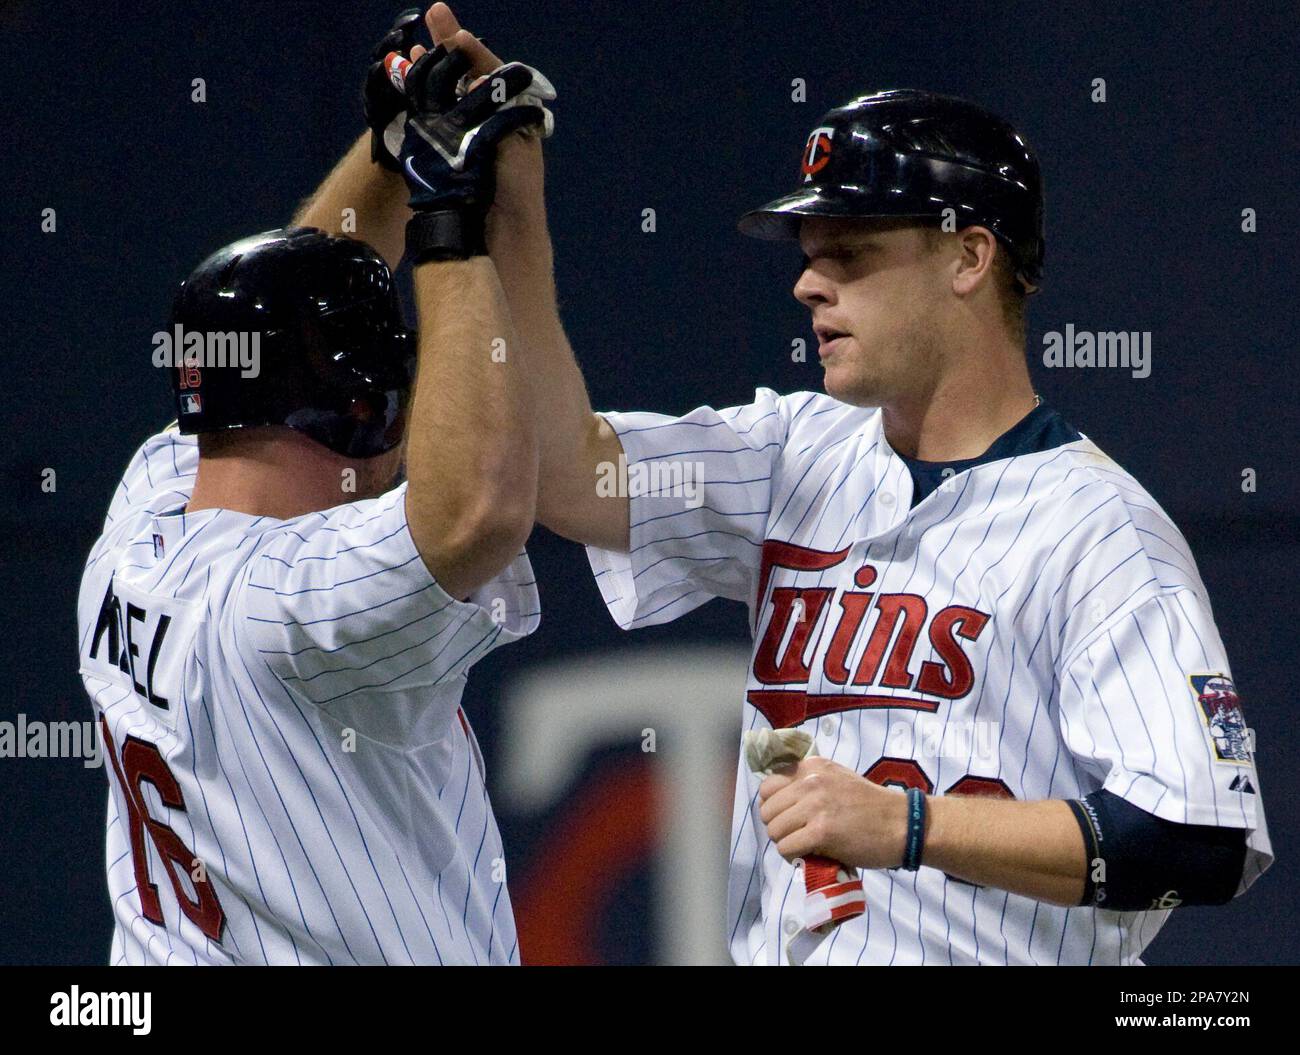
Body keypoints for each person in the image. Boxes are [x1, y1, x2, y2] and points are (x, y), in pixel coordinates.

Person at [426, 4, 1273, 964]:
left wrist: (911, 825)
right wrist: (509, 209)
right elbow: (564, 473)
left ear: (969, 254)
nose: (808, 284)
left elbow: (1198, 840)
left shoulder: (1102, 530)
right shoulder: (798, 452)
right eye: (809, 254)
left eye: (852, 253)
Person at [77, 6, 550, 964]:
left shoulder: (146, 511)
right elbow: (476, 508)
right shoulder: (298, 608)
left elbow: (290, 305)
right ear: (364, 415)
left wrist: (389, 151)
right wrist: (452, 228)